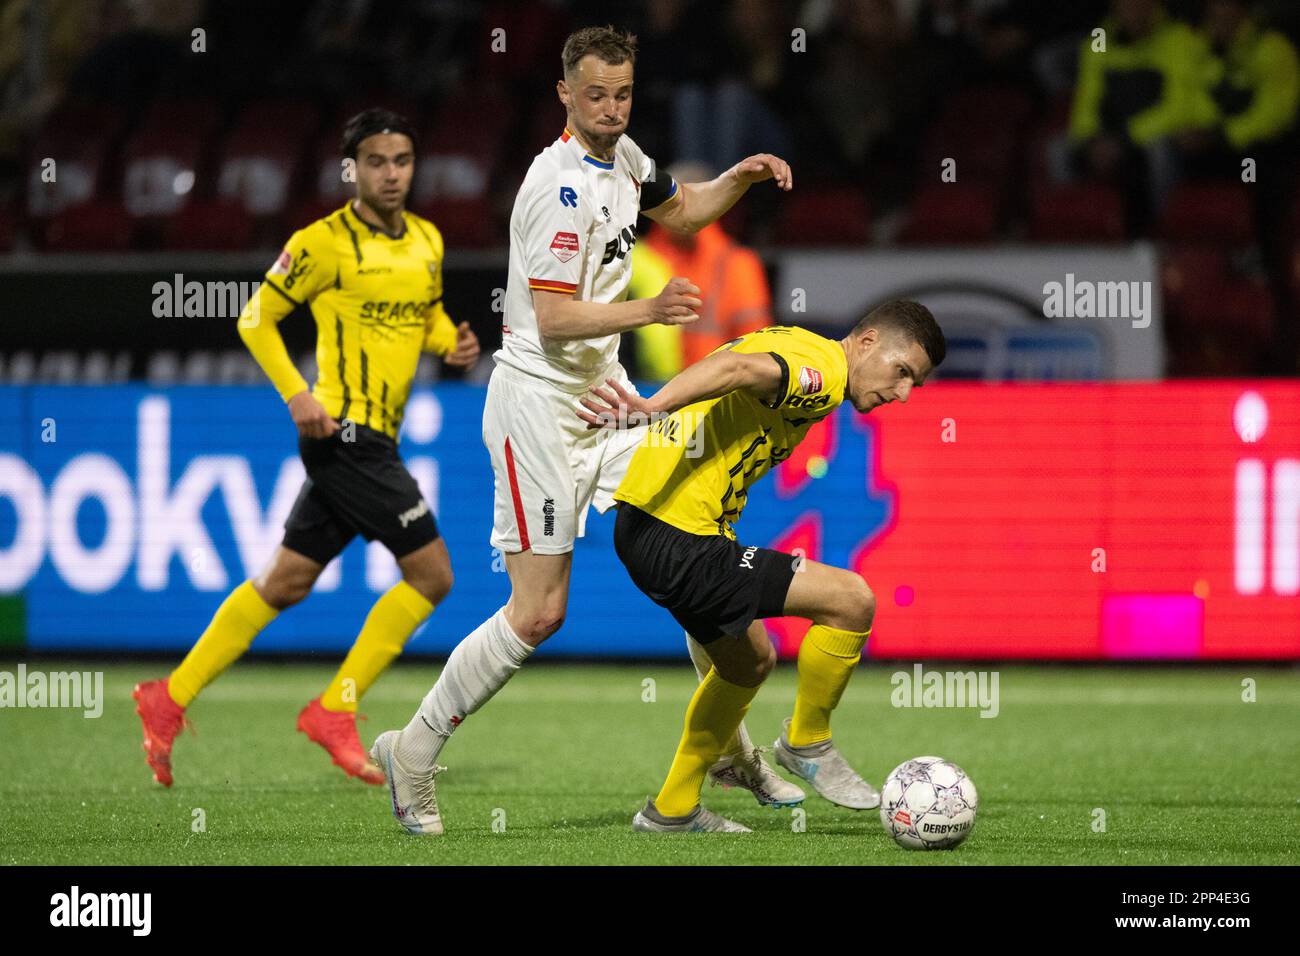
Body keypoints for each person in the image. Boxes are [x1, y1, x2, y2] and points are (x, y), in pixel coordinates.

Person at [369, 24, 796, 835]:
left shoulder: (627, 158)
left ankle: (722, 757)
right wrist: (652, 308)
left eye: (623, 95)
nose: (609, 110)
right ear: (564, 93)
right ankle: (414, 752)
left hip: (603, 394)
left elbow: (688, 209)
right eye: (594, 95)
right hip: (539, 406)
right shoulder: (555, 187)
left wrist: (738, 176)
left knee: (685, 546)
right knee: (538, 614)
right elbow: (557, 316)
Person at [132, 109, 480, 787]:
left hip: (376, 437)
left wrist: (451, 343)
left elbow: (425, 312)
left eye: (401, 161)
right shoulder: (322, 243)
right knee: (434, 574)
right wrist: (297, 395)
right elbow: (255, 316)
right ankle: (334, 709)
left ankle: (167, 697)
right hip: (344, 436)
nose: (390, 174)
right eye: (376, 162)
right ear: (352, 170)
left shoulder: (429, 241)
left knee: (285, 582)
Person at [580, 302, 946, 832]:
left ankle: (673, 810)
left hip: (650, 528)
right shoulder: (821, 374)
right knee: (851, 600)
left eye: (916, 382)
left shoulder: (800, 342)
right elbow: (736, 369)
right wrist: (651, 406)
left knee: (748, 662)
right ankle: (807, 743)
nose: (904, 392)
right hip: (679, 538)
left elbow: (739, 370)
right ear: (866, 342)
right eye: (903, 371)